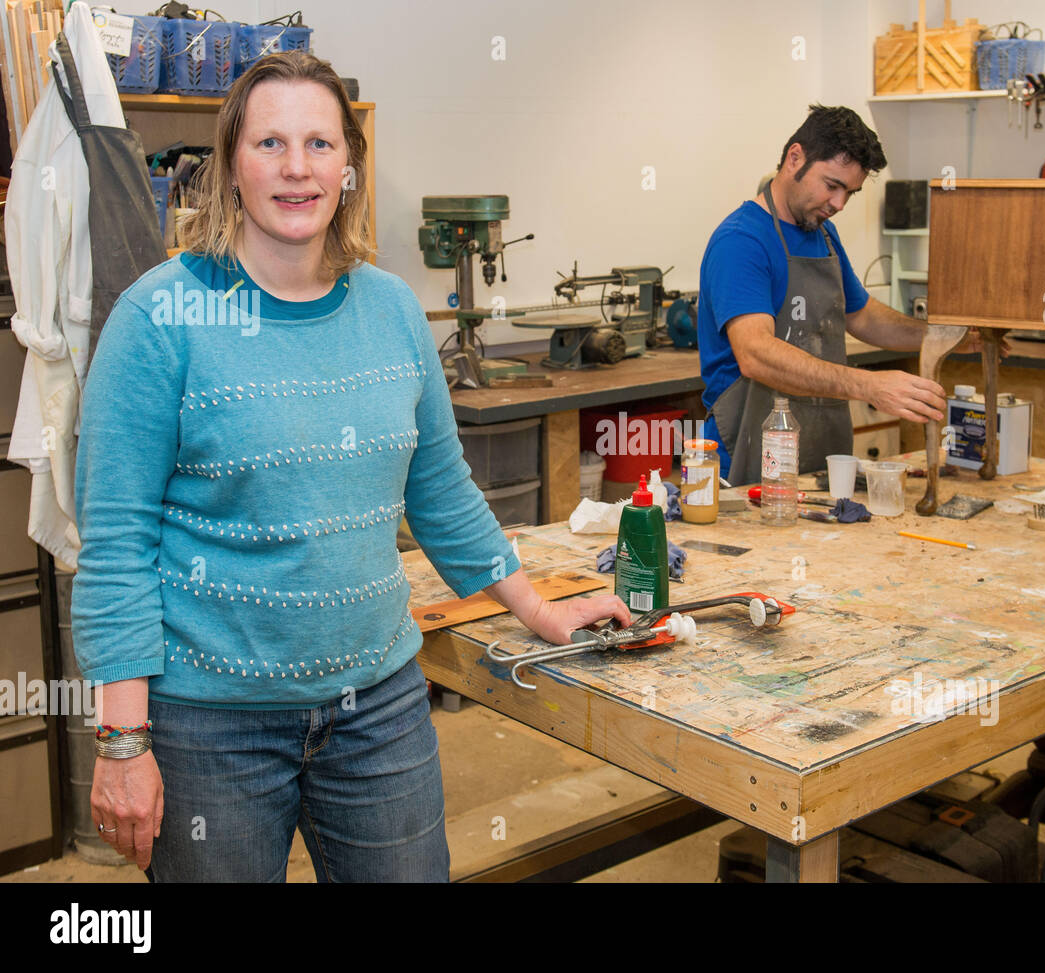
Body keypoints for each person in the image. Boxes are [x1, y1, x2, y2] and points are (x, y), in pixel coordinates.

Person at [72, 50, 629, 883]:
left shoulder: (394, 309)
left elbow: (441, 492)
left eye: (319, 144)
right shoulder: (160, 317)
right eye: (270, 144)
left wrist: (540, 608)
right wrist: (123, 743)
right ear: (230, 165)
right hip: (209, 724)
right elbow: (116, 543)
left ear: (350, 168)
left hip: (378, 708)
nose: (297, 169)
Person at [698, 104, 995, 484]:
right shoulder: (742, 240)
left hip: (817, 452)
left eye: (849, 193)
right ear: (795, 158)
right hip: (747, 462)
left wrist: (946, 336)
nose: (838, 204)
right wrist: (867, 384)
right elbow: (756, 355)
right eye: (832, 185)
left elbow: (864, 316)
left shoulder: (822, 234)